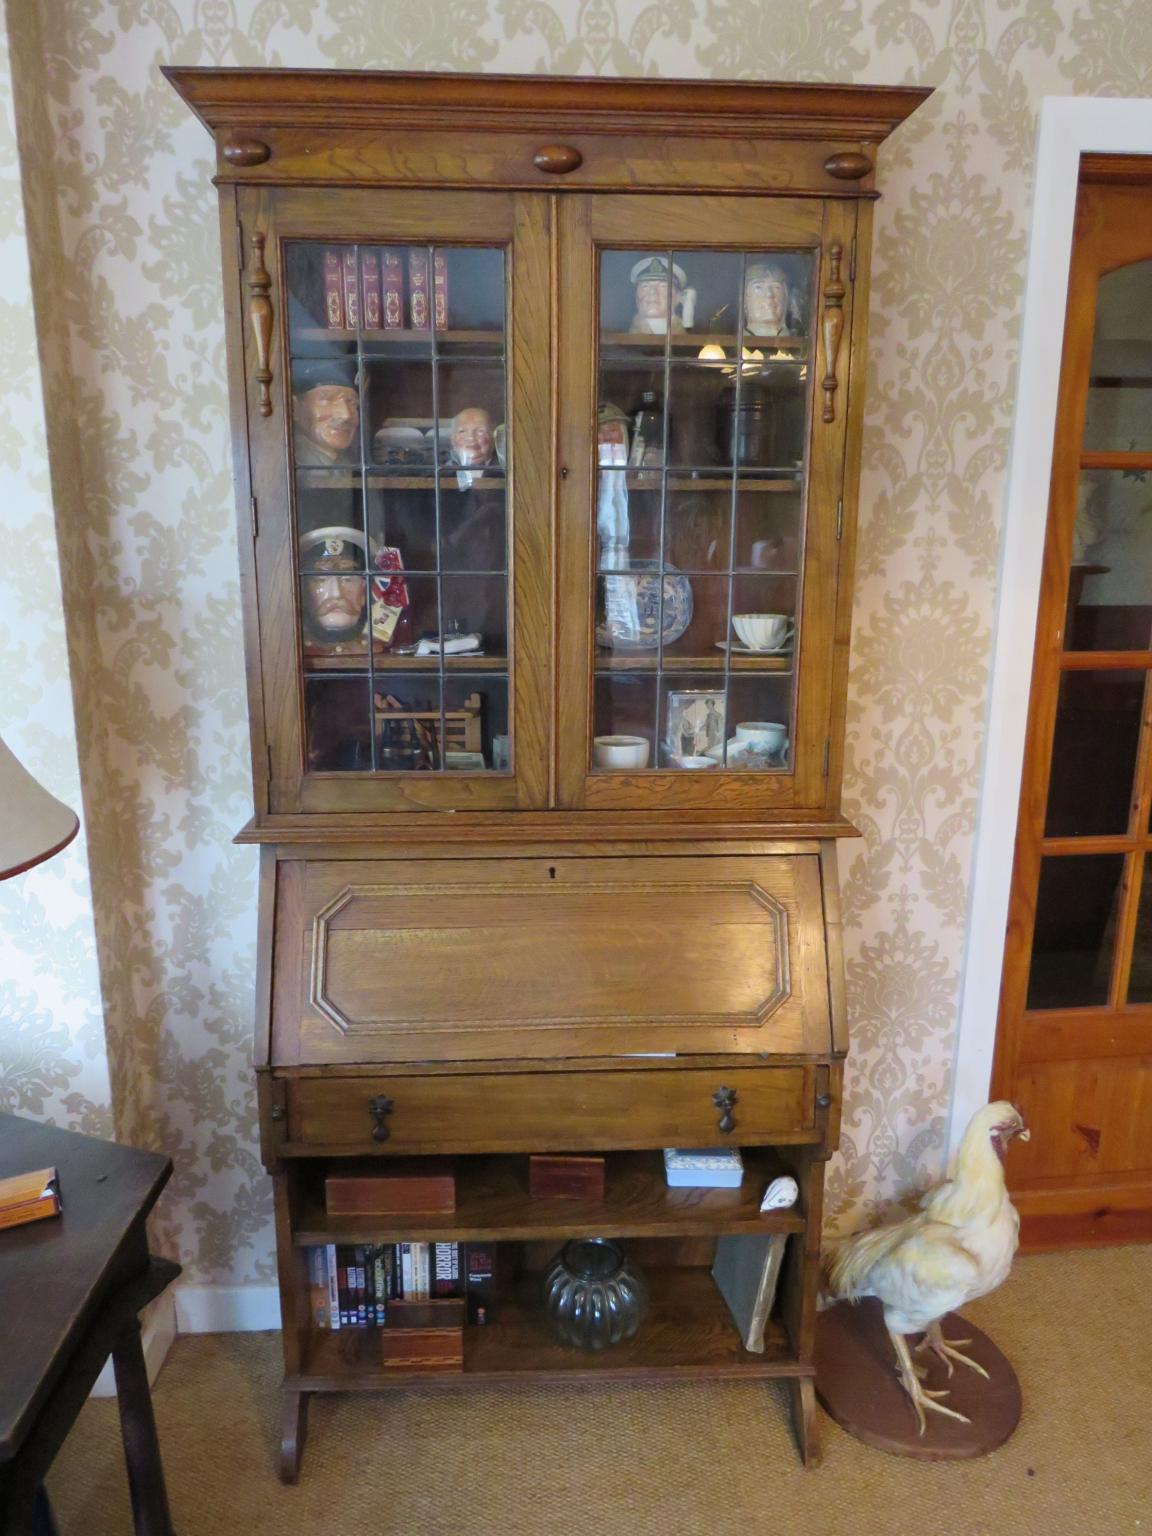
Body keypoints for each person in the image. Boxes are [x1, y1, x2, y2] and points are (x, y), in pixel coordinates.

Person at [299, 526, 368, 650]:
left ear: (363, 591)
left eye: (347, 579)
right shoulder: (294, 648)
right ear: (305, 591)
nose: (336, 593)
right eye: (321, 579)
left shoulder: (374, 645)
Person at [292, 359, 360, 465]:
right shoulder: (293, 461)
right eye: (327, 399)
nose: (346, 415)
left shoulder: (348, 462)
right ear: (295, 408)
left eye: (353, 403)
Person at [629, 256, 695, 334]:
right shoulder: (627, 336)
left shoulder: (686, 336)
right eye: (645, 286)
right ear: (636, 297)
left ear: (678, 297)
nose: (652, 292)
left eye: (663, 286)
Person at [743, 262, 800, 338]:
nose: (769, 294)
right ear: (745, 298)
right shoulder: (732, 342)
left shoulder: (797, 340)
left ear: (786, 296)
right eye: (758, 287)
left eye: (776, 287)